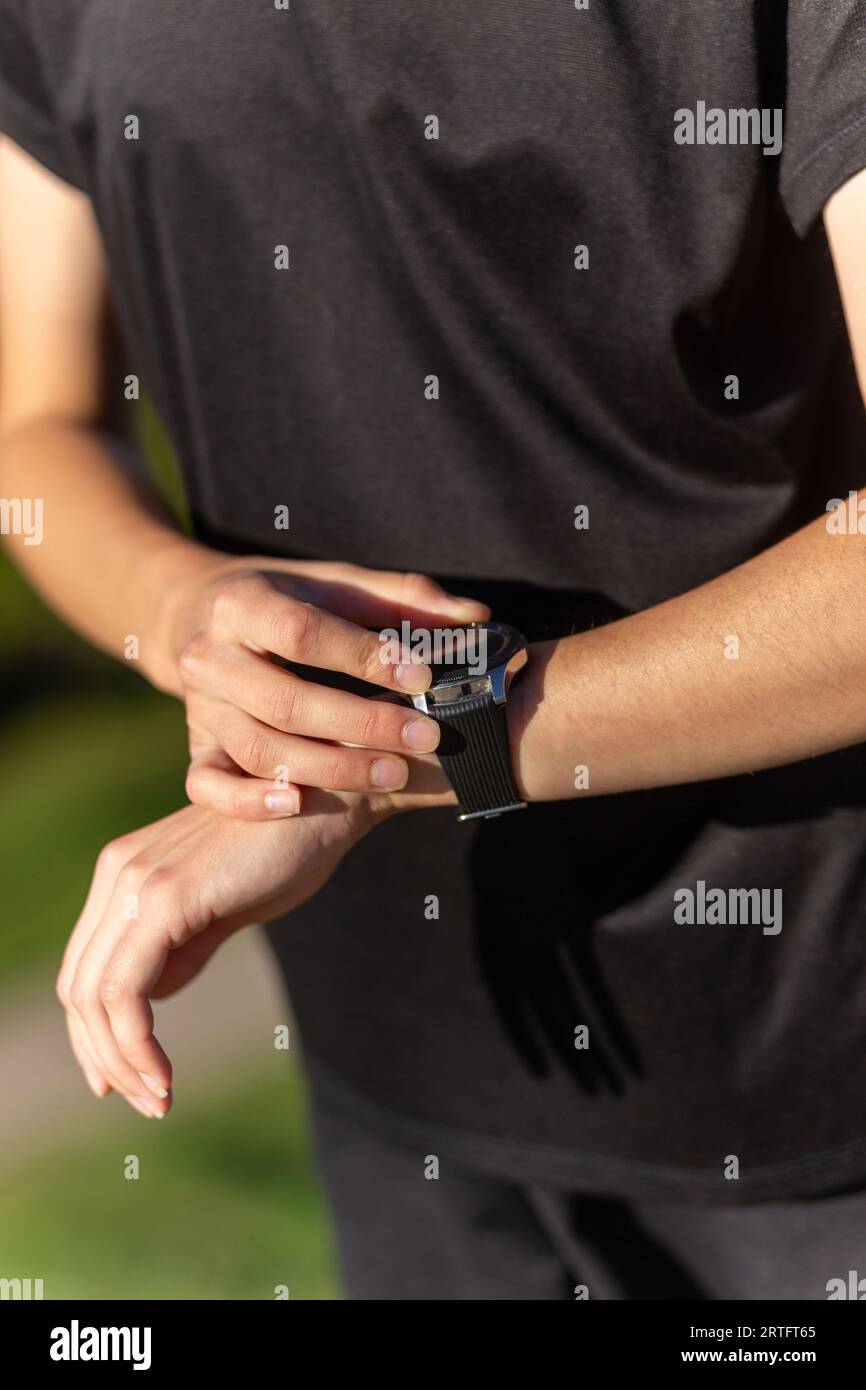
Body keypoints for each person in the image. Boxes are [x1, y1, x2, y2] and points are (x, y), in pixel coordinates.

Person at [2, 1, 866, 1301]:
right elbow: (42, 423)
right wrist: (188, 612)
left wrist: (416, 747)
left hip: (803, 1066)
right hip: (387, 1048)